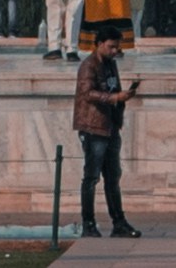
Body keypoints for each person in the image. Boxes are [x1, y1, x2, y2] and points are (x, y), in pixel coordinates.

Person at [68, 44, 132, 238]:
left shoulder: (111, 64)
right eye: (112, 46)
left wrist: (121, 99)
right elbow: (87, 93)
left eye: (117, 47)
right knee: (91, 177)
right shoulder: (89, 65)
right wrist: (114, 97)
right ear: (100, 43)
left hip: (110, 126)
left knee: (113, 178)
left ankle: (119, 223)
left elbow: (115, 88)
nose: (115, 51)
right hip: (93, 127)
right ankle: (88, 223)